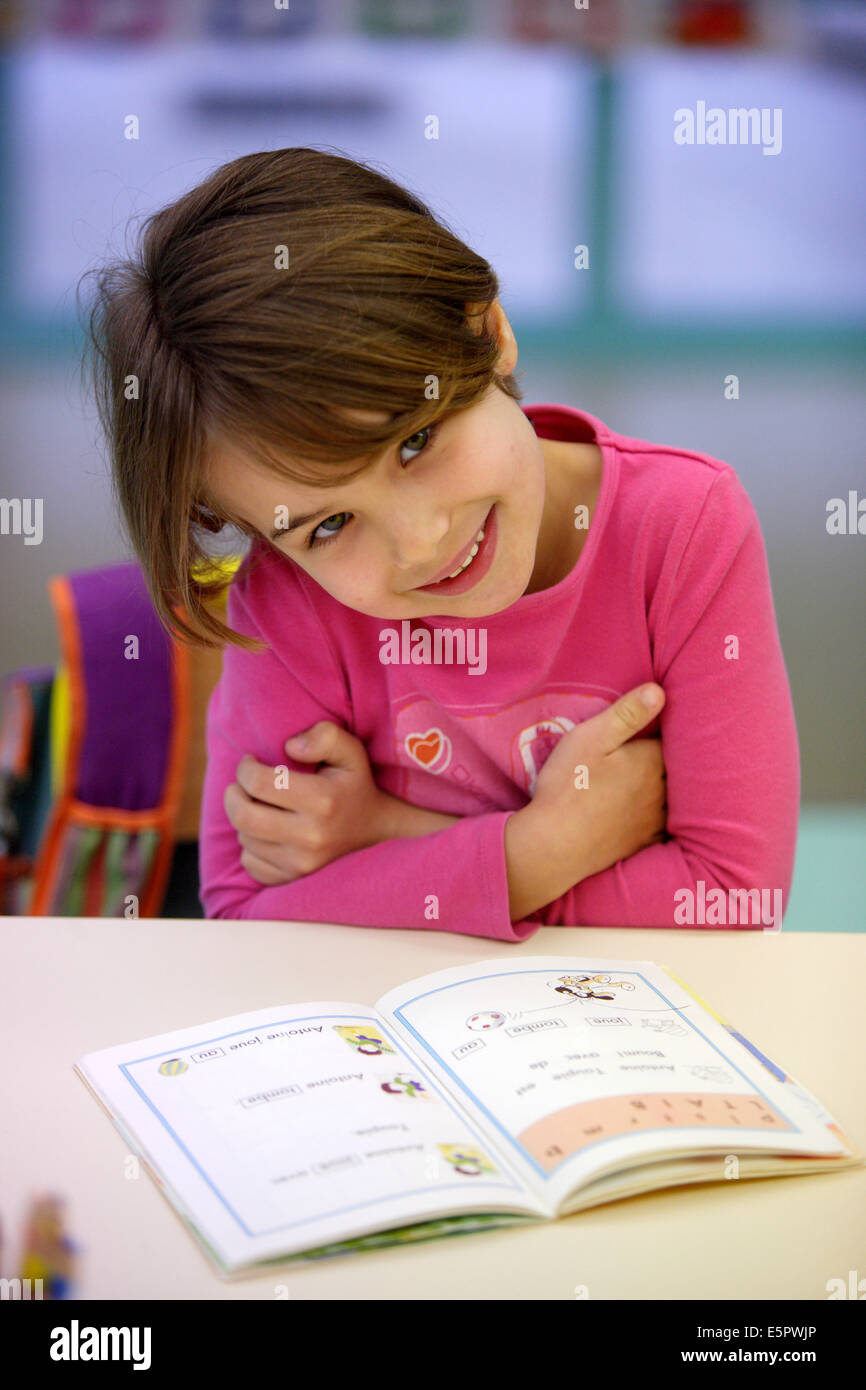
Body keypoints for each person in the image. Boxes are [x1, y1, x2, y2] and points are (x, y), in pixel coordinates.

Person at [81, 147, 799, 939]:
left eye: (416, 442)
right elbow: (249, 911)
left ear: (489, 331)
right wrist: (543, 850)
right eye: (326, 526)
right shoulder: (288, 605)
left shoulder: (686, 528)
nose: (419, 543)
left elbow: (734, 896)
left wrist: (391, 835)